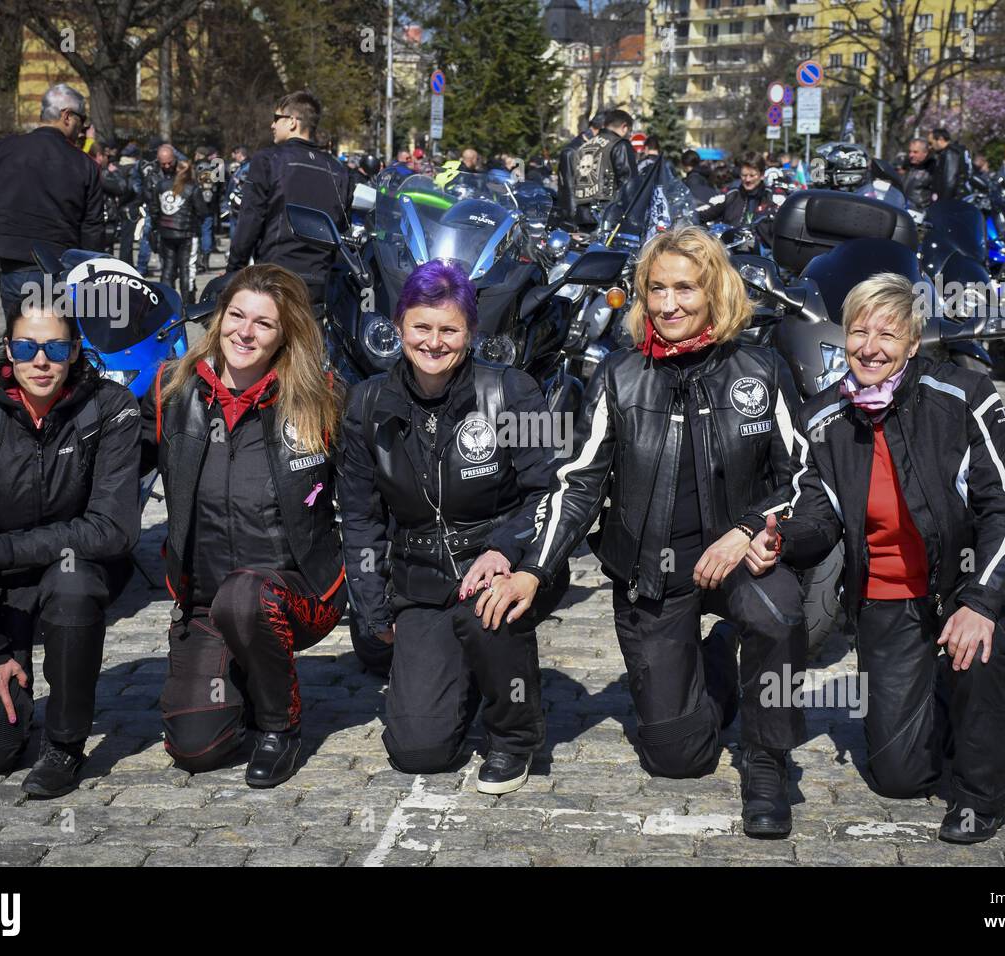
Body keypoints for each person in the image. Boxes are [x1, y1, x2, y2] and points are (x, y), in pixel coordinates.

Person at [493, 227, 808, 835]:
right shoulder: (618, 376)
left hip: (743, 557)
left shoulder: (762, 368)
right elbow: (577, 483)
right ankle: (716, 661)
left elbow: (805, 474)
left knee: (776, 615)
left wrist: (749, 528)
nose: (668, 305)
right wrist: (535, 568)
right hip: (652, 573)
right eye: (656, 289)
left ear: (715, 291)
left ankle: (768, 760)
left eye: (685, 288)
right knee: (677, 759)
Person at [753, 273, 1005, 843]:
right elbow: (818, 517)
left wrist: (982, 601)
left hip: (966, 582)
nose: (870, 347)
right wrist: (781, 538)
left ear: (913, 343)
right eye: (858, 332)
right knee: (898, 777)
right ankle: (934, 699)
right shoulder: (823, 417)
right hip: (888, 597)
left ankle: (981, 796)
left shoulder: (965, 397)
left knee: (975, 652)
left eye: (888, 334)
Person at [339, 261, 570, 794]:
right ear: (399, 327)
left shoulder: (514, 390)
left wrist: (506, 550)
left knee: (484, 614)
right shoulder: (366, 404)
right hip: (419, 578)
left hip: (500, 563)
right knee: (419, 749)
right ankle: (459, 676)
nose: (434, 341)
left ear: (470, 334)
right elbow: (360, 514)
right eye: (422, 327)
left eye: (450, 329)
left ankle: (515, 734)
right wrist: (373, 609)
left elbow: (548, 490)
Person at [0, 297, 141, 796]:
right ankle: (12, 681)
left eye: (55, 348)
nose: (41, 361)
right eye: (26, 346)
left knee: (72, 584)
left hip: (72, 569)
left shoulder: (112, 409)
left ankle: (65, 744)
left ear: (76, 351)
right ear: (8, 350)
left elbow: (113, 530)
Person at [140, 264, 347, 786]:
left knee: (246, 597)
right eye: (236, 315)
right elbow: (114, 464)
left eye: (264, 324)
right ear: (218, 319)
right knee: (196, 748)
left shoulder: (323, 398)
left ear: (286, 334)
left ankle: (281, 726)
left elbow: (369, 498)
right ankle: (243, 675)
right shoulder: (172, 389)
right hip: (207, 600)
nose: (245, 332)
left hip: (297, 592)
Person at [0, 83, 104, 315]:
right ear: (67, 115)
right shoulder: (84, 164)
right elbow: (93, 228)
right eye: (82, 119)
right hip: (59, 266)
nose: (82, 128)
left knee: (20, 339)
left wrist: (0, 227)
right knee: (58, 342)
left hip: (12, 263)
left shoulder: (1, 149)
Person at [227, 91, 354, 304]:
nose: (272, 125)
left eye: (277, 119)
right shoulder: (339, 171)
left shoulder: (268, 160)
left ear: (293, 122)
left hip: (275, 279)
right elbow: (341, 230)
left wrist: (234, 270)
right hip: (319, 284)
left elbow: (250, 219)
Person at [143, 149, 206, 302]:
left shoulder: (161, 185)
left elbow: (154, 209)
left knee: (167, 269)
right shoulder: (192, 188)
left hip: (167, 233)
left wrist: (159, 225)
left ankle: (165, 302)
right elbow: (203, 211)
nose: (165, 166)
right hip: (186, 233)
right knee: (186, 269)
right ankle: (187, 303)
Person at [696, 160, 773, 228]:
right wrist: (689, 215)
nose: (747, 179)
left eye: (752, 175)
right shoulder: (732, 195)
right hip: (733, 242)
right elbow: (706, 214)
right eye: (744, 175)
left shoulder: (770, 196)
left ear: (762, 175)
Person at [89, 142, 133, 257]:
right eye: (106, 157)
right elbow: (122, 187)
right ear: (99, 156)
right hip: (103, 218)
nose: (108, 160)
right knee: (105, 254)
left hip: (101, 218)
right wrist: (114, 172)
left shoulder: (90, 169)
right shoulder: (99, 172)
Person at [930, 128, 972, 201]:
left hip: (954, 200)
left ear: (940, 139)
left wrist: (943, 203)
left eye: (931, 143)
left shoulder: (950, 153)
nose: (930, 146)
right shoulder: (957, 150)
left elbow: (950, 181)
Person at [901, 138, 936, 212]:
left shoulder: (932, 168)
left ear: (925, 152)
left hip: (921, 213)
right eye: (910, 151)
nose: (911, 155)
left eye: (915, 152)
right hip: (905, 208)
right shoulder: (909, 166)